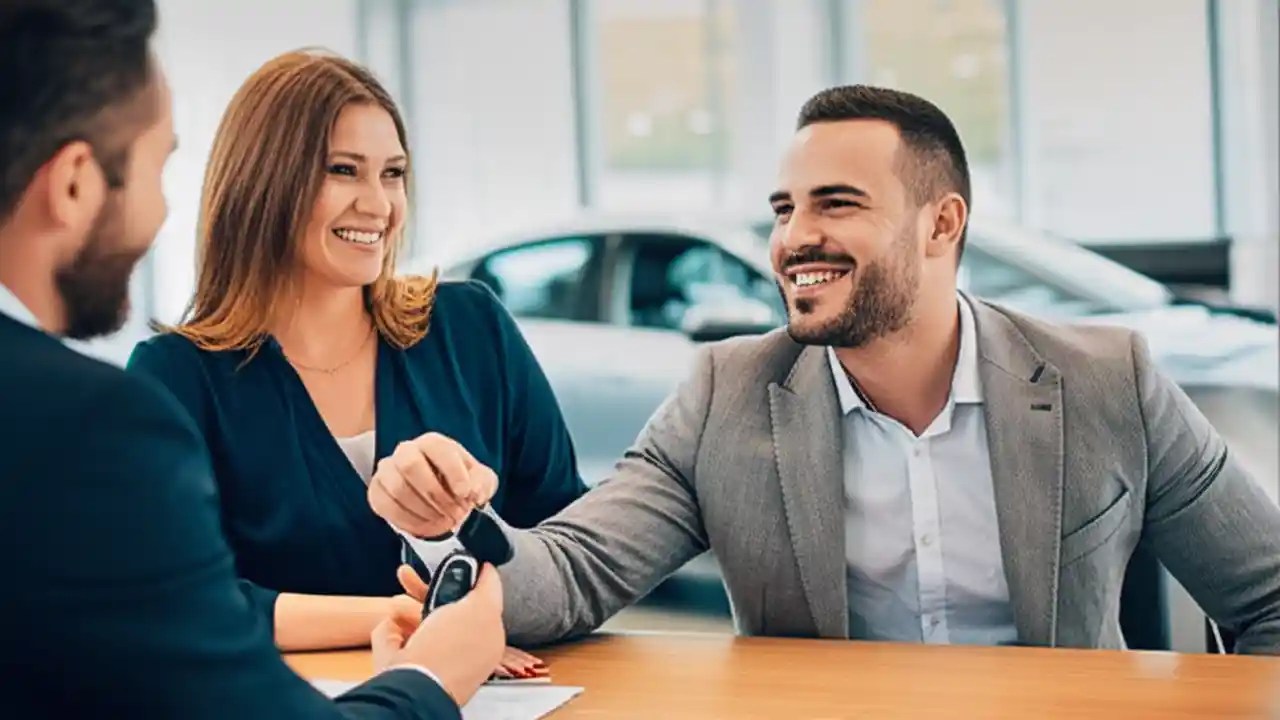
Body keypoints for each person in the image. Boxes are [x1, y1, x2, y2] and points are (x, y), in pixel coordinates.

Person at [370, 85, 1280, 654]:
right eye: (783, 209)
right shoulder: (724, 393)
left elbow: (1267, 598)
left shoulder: (1106, 378)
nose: (795, 237)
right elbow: (567, 573)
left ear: (942, 224)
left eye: (835, 204)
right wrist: (457, 530)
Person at [0, 1, 504, 716]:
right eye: (156, 167)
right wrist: (430, 674)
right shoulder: (98, 418)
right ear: (75, 182)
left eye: (393, 173)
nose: (160, 214)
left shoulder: (470, 324)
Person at [125, 49, 584, 673]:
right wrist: (411, 619)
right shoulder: (174, 378)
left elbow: (572, 546)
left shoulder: (471, 329)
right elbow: (171, 600)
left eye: (392, 174)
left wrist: (473, 530)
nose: (379, 205)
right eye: (345, 170)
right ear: (264, 182)